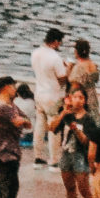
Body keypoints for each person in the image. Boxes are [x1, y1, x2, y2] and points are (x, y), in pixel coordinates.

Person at [52, 89, 99, 198]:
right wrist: (62, 114)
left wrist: (76, 130)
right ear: (70, 99)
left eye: (81, 97)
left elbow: (87, 142)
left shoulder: (88, 119)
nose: (77, 100)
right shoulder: (67, 115)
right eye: (75, 97)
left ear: (85, 100)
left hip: (80, 156)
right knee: (69, 188)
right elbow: (52, 128)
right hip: (66, 154)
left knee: (85, 190)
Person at [30, 27, 68, 165]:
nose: (60, 45)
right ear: (56, 41)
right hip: (53, 96)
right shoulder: (55, 58)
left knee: (39, 126)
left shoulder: (35, 53)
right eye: (60, 42)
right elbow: (62, 79)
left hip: (39, 93)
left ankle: (38, 156)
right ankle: (54, 159)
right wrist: (68, 68)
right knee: (54, 128)